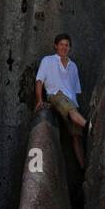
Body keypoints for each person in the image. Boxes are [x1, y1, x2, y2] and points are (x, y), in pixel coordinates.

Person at [35, 33, 86, 168]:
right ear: (56, 46)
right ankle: (89, 127)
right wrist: (39, 99)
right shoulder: (48, 61)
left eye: (67, 45)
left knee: (77, 137)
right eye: (61, 45)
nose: (64, 47)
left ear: (69, 48)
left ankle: (83, 168)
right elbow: (39, 80)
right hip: (56, 95)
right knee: (68, 109)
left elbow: (75, 90)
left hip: (72, 102)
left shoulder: (73, 66)